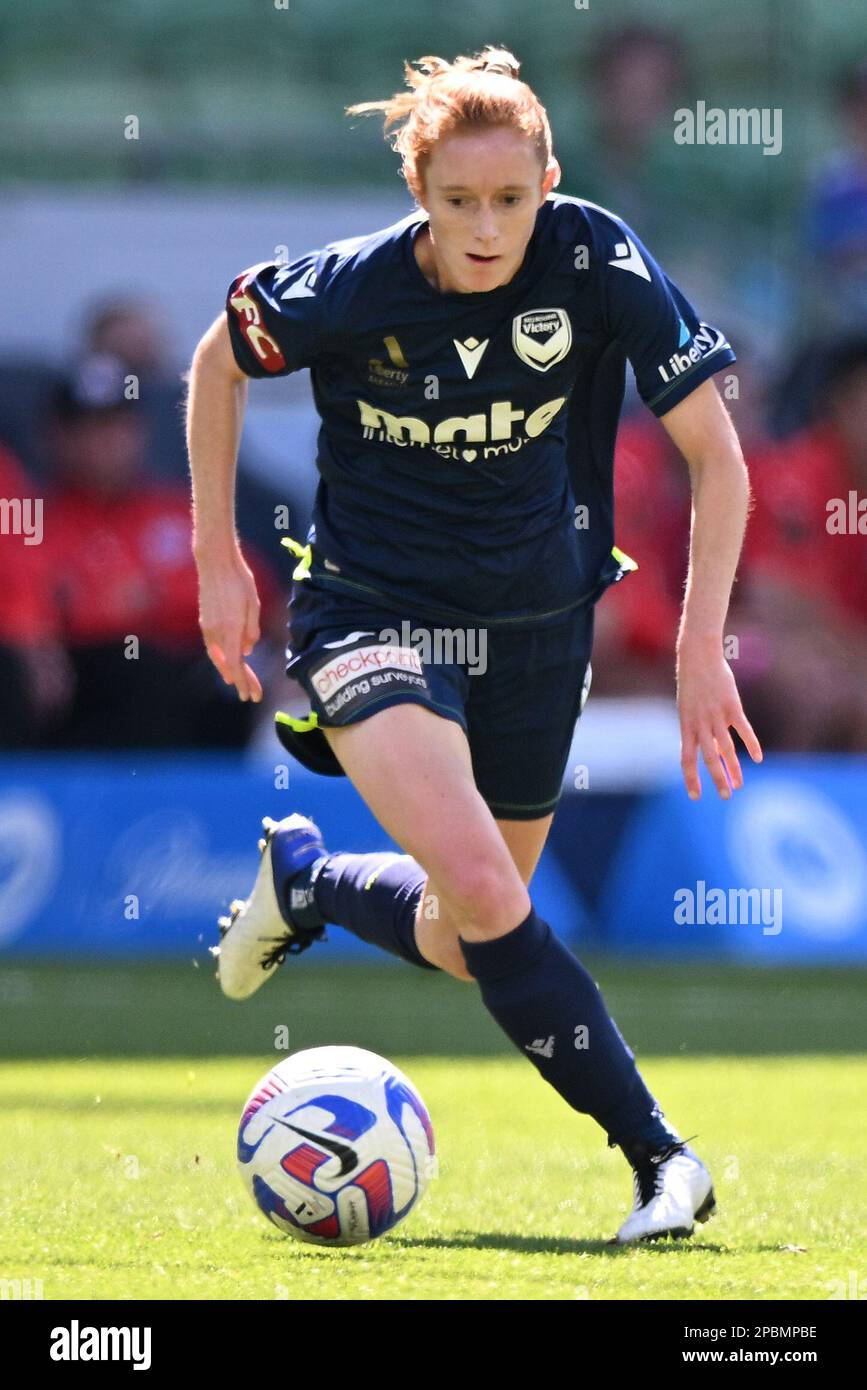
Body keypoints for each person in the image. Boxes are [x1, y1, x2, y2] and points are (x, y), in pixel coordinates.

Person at [186, 47, 762, 1243]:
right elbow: (214, 362)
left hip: (539, 627)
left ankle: (313, 883)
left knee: (465, 933)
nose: (487, 227)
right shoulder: (348, 288)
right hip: (368, 612)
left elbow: (717, 457)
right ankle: (663, 1157)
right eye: (458, 202)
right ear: (419, 195)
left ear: (549, 180)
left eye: (511, 198)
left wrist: (702, 649)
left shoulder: (596, 255)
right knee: (495, 894)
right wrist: (216, 559)